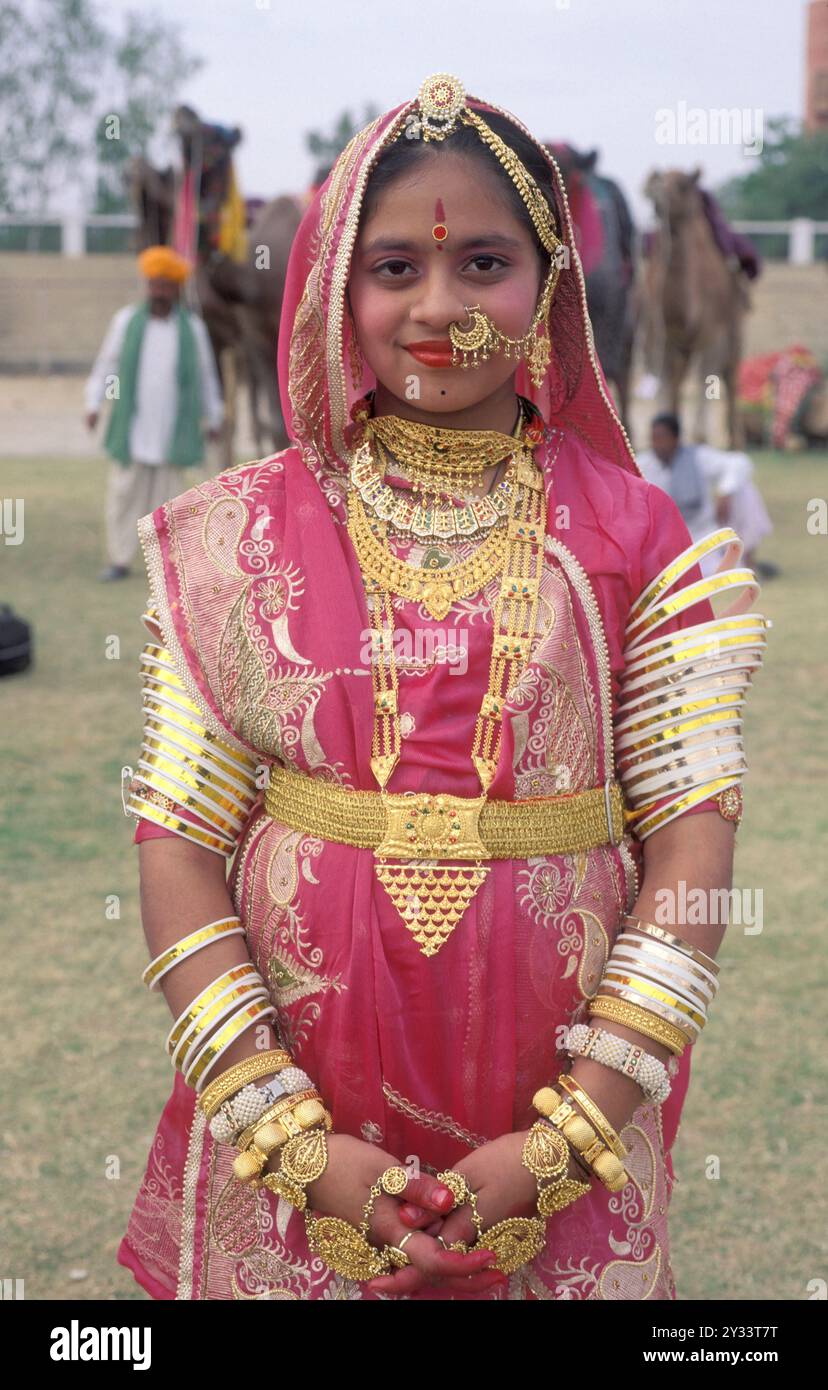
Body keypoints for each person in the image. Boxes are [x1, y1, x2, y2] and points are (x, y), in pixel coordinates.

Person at [116, 73, 769, 1301]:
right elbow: (178, 837)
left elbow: (692, 841)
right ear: (332, 286)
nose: (440, 307)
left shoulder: (636, 536)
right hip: (294, 1087)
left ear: (549, 286)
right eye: (395, 269)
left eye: (483, 263)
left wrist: (573, 1135)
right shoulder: (231, 541)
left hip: (567, 1080)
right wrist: (284, 1131)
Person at [84, 245, 225, 581]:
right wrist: (94, 403)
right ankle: (119, 560)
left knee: (167, 501)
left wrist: (214, 416)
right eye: (155, 284)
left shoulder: (192, 329)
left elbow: (206, 376)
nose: (160, 291)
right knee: (123, 495)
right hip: (132, 427)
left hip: (172, 431)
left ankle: (165, 566)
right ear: (147, 286)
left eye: (166, 285)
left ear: (176, 288)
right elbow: (107, 365)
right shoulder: (125, 322)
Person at [637, 413, 774, 576]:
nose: (656, 444)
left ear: (675, 439)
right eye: (653, 438)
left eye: (661, 438)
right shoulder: (644, 463)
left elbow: (740, 462)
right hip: (668, 539)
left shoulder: (697, 457)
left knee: (744, 489)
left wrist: (725, 492)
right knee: (700, 574)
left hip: (704, 530)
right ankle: (739, 565)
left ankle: (748, 560)